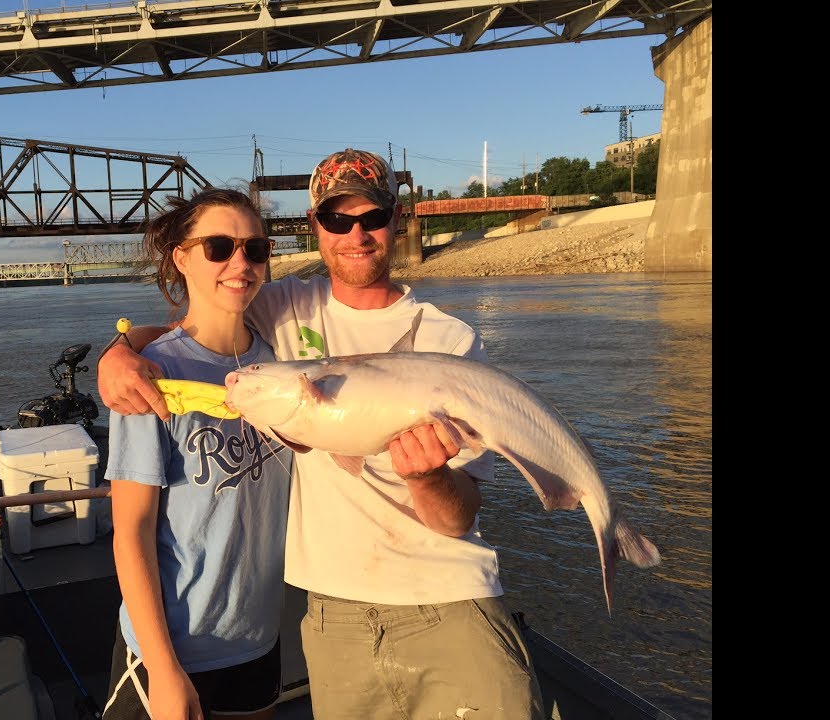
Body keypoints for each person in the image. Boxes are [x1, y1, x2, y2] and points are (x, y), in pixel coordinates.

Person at [98, 149, 545, 720]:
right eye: (337, 219)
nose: (356, 233)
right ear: (316, 227)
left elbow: (458, 519)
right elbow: (197, 330)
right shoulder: (278, 317)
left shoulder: (446, 340)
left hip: (430, 601)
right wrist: (119, 352)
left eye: (255, 250)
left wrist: (428, 474)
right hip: (304, 624)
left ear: (397, 219)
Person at [100, 187, 294, 720]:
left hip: (257, 640)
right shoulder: (149, 375)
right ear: (181, 256)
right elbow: (132, 531)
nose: (241, 263)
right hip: (173, 649)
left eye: (255, 249)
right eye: (218, 247)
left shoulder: (281, 364)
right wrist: (163, 670)